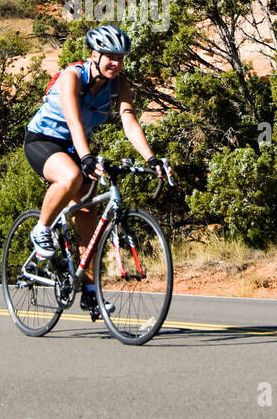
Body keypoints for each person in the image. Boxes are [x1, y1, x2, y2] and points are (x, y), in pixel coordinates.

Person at [23, 25, 170, 318]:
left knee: (87, 212)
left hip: (76, 148)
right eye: (110, 56)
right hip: (43, 141)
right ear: (94, 53)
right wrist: (87, 156)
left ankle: (90, 291)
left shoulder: (120, 85)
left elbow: (129, 121)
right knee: (71, 177)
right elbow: (74, 121)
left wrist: (152, 158)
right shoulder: (72, 76)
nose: (116, 63)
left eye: (121, 57)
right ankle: (41, 229)